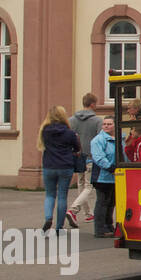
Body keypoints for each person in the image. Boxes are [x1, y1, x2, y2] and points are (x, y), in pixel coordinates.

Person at [39, 106, 80, 232]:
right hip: (65, 166)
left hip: (49, 166)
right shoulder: (69, 133)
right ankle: (59, 226)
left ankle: (48, 218)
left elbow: (42, 146)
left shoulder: (44, 131)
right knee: (62, 196)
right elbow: (77, 148)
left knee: (50, 195)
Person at [67, 92, 104, 226]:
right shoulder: (98, 121)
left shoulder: (71, 120)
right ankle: (73, 209)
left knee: (81, 184)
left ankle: (88, 214)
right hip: (90, 157)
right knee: (89, 186)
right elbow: (100, 140)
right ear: (93, 104)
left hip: (76, 157)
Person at [90, 116, 118, 238]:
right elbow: (99, 158)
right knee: (102, 202)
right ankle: (100, 228)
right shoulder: (98, 140)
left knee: (111, 202)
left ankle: (108, 225)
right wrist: (111, 168)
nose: (106, 126)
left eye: (109, 124)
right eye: (104, 124)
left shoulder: (119, 138)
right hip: (102, 177)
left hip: (115, 176)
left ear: (114, 125)